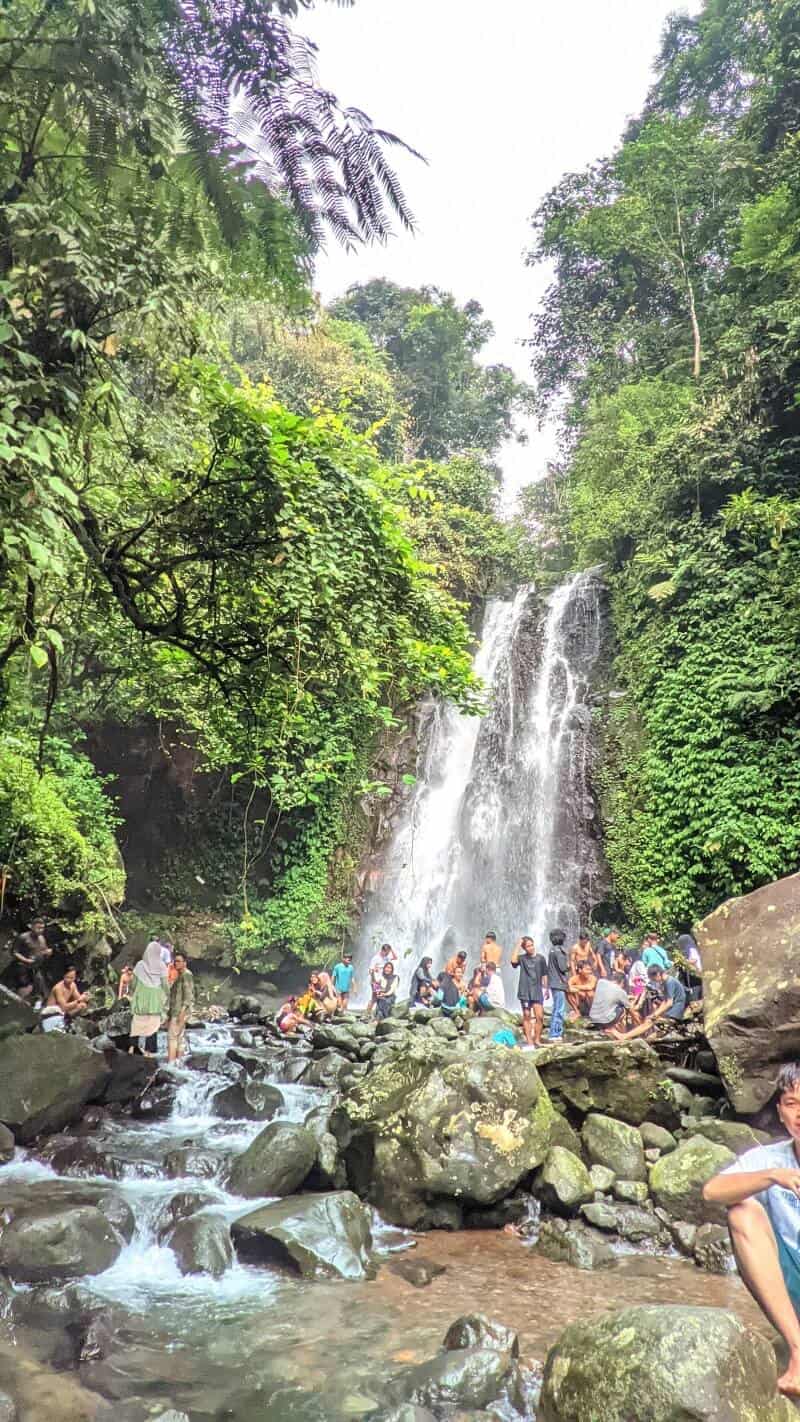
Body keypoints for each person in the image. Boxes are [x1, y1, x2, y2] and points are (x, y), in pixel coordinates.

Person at [703, 1063, 800, 1398]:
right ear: (780, 1112)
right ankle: (798, 1352)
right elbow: (711, 1192)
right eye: (792, 1104)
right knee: (742, 1211)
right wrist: (773, 1176)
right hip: (793, 1286)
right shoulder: (772, 1159)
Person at [129, 941, 169, 1054]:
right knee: (153, 1026)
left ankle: (132, 1048)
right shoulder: (161, 966)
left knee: (137, 1024)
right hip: (155, 1001)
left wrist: (132, 993)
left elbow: (133, 983)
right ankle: (149, 1053)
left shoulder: (140, 965)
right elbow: (165, 985)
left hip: (141, 999)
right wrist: (167, 997)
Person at [511, 936, 547, 1049]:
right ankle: (530, 1042)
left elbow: (544, 974)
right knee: (527, 1016)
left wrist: (546, 988)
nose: (531, 948)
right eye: (528, 946)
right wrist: (518, 944)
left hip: (537, 990)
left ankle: (537, 1039)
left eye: (532, 945)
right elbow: (513, 961)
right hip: (525, 991)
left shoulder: (541, 958)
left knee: (540, 1016)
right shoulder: (522, 958)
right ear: (524, 948)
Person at [10, 917, 53, 1001]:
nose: (41, 930)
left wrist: (48, 953)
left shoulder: (42, 939)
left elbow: (44, 952)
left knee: (40, 986)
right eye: (38, 928)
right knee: (24, 986)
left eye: (42, 928)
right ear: (32, 927)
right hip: (21, 966)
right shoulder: (23, 937)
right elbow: (14, 952)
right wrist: (25, 960)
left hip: (34, 968)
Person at [41, 966, 90, 1031]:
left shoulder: (73, 985)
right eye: (67, 977)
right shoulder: (58, 988)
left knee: (82, 1005)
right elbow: (63, 1007)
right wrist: (80, 1000)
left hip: (63, 1012)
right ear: (63, 976)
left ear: (75, 977)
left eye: (72, 978)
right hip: (51, 1013)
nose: (69, 980)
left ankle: (69, 1021)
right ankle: (65, 1021)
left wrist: (85, 997)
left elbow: (79, 999)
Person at [588, 970, 635, 1036]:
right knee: (623, 1009)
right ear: (622, 982)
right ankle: (620, 1032)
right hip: (606, 1021)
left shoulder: (600, 982)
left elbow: (608, 994)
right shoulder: (621, 991)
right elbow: (630, 1009)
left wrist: (627, 997)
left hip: (593, 1018)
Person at [166, 951, 194, 1062]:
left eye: (178, 961)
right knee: (179, 1038)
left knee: (172, 1037)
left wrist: (182, 1013)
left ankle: (171, 1063)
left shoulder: (186, 975)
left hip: (179, 1012)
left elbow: (188, 995)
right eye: (174, 961)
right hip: (178, 1011)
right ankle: (179, 1063)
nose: (175, 963)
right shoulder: (181, 975)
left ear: (184, 963)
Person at [546, 928, 569, 1042]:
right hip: (559, 983)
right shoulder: (560, 952)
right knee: (559, 1009)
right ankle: (555, 1034)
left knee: (556, 1008)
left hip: (553, 983)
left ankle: (553, 1032)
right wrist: (571, 965)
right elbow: (563, 968)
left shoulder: (552, 950)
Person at [367, 943, 397, 1016]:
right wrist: (375, 970)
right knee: (375, 997)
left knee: (379, 997)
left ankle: (378, 1013)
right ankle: (367, 1013)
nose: (387, 954)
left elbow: (395, 957)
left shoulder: (386, 958)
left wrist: (391, 949)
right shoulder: (376, 958)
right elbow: (370, 970)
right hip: (375, 980)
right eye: (386, 952)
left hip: (383, 981)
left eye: (388, 952)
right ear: (382, 950)